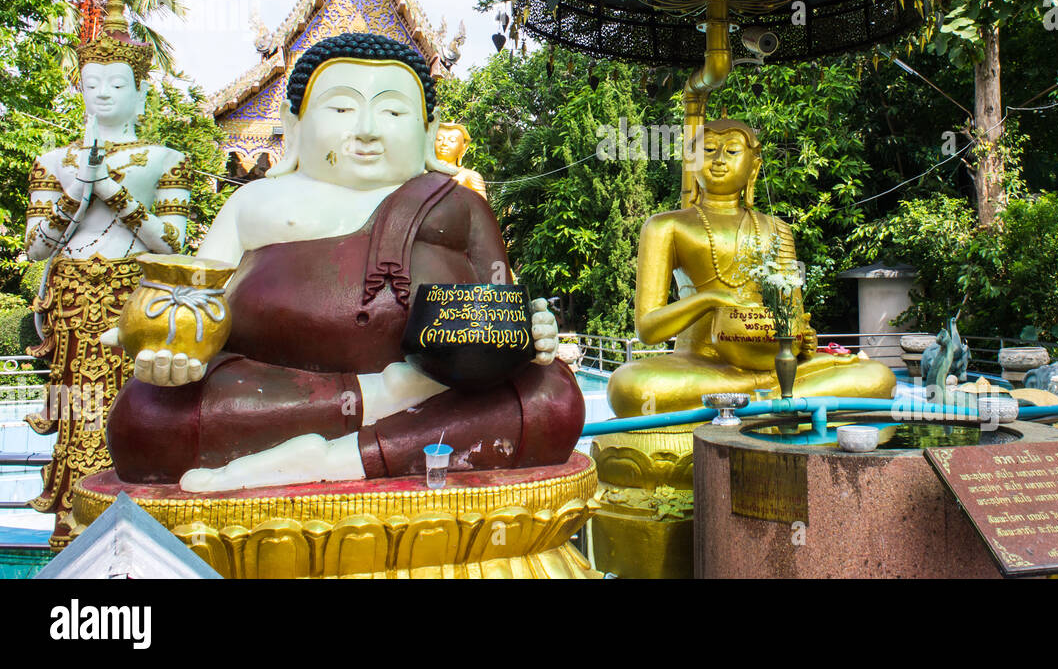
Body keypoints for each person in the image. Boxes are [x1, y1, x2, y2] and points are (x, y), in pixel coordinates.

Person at [105, 33, 582, 490]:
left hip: (440, 387)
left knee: (552, 394)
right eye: (341, 108)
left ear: (428, 132)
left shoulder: (457, 203)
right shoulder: (255, 203)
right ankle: (381, 404)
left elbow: (500, 310)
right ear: (294, 127)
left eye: (394, 111)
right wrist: (177, 347)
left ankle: (336, 459)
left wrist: (532, 330)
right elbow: (195, 303)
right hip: (287, 390)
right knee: (146, 414)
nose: (368, 131)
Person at [23, 0, 189, 545]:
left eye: (117, 84)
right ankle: (75, 526)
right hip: (71, 298)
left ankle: (140, 525)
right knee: (78, 410)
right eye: (93, 83)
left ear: (140, 92)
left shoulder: (165, 160)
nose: (104, 93)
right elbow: (35, 249)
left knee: (139, 403)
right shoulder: (53, 162)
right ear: (80, 87)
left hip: (134, 295)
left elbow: (172, 244)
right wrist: (77, 192)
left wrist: (114, 192)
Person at [608, 119, 894, 417]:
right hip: (701, 363)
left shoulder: (776, 229)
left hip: (773, 364)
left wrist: (805, 338)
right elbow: (648, 329)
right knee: (631, 387)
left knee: (877, 377)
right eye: (708, 150)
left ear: (753, 167)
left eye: (731, 151)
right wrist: (711, 299)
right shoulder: (667, 226)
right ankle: (771, 403)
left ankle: (742, 402)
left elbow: (792, 316)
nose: (718, 160)